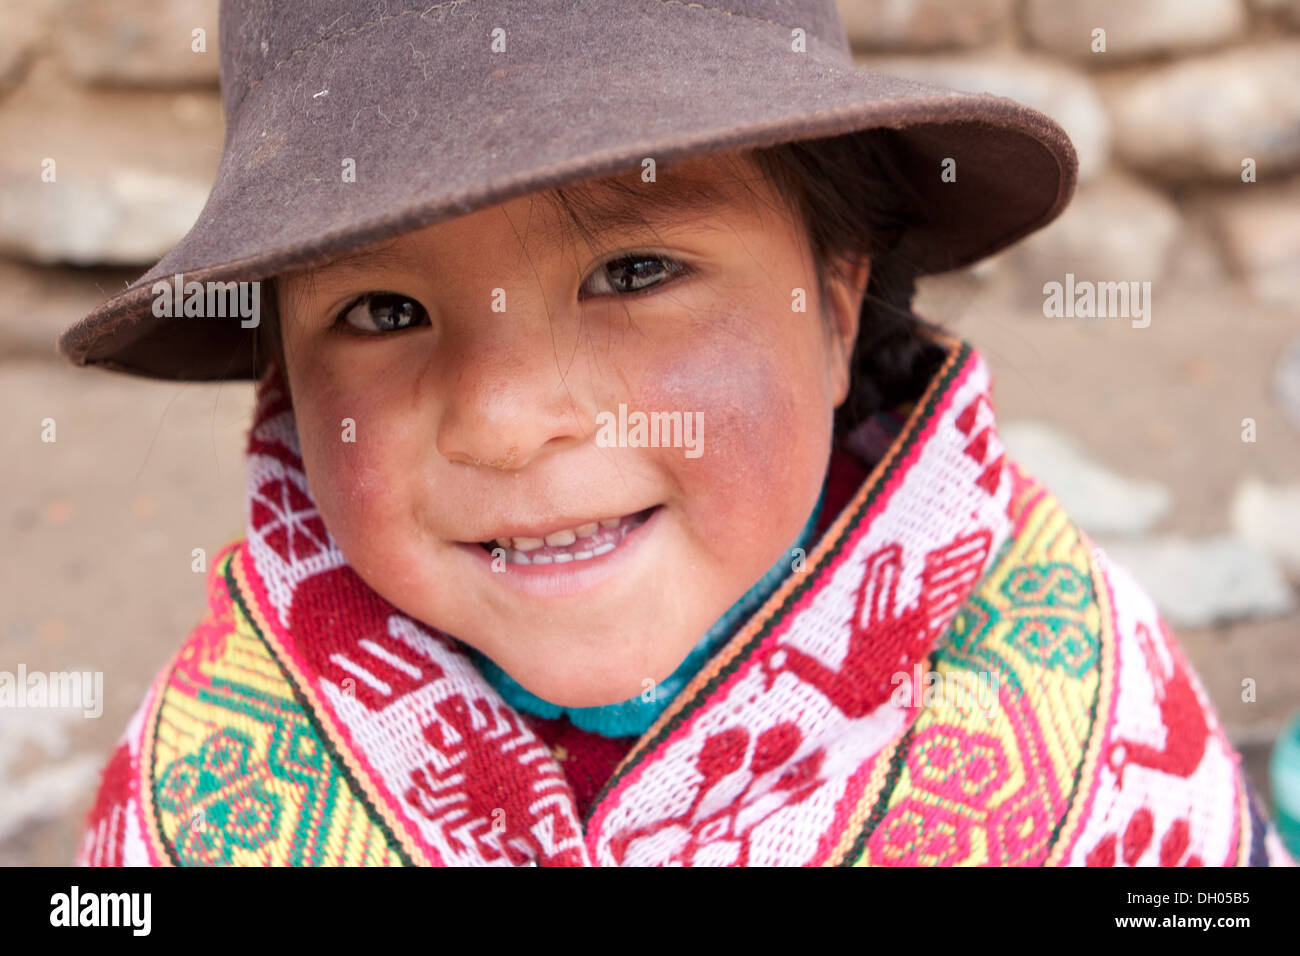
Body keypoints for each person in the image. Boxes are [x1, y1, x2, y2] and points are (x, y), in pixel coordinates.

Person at [62, 0, 1291, 866]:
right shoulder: (215, 774)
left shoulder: (1074, 707)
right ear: (283, 376)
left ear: (833, 304)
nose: (502, 418)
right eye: (384, 311)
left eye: (635, 269)